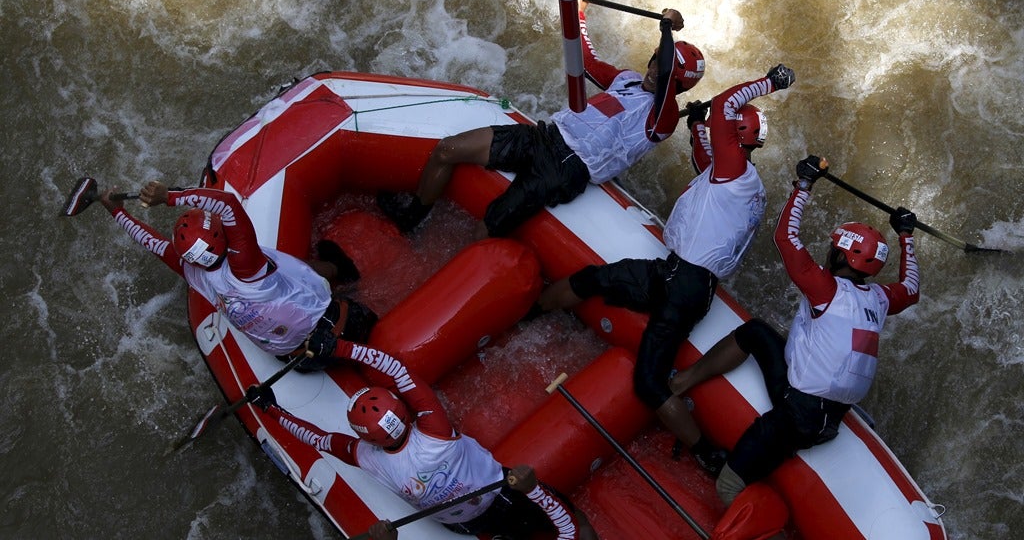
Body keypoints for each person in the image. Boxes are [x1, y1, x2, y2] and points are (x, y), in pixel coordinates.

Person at [537, 64, 796, 475]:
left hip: (681, 283)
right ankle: (541, 308)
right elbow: (703, 164)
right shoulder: (743, 181)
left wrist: (770, 83)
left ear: (738, 136)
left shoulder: (735, 172)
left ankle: (706, 453)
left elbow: (728, 103)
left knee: (649, 382)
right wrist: (696, 126)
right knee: (594, 280)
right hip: (684, 282)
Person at [668, 155, 920, 507]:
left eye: (835, 248)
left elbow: (785, 239)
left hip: (797, 413)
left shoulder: (825, 288)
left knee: (727, 488)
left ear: (843, 257)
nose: (829, 250)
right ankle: (679, 384)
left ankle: (678, 385)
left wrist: (803, 185)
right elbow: (911, 288)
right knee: (756, 332)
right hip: (831, 419)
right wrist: (906, 235)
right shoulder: (879, 298)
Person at [377, 0, 703, 239]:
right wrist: (579, 12)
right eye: (654, 61)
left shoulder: (664, 118)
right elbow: (586, 60)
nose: (652, 71)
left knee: (489, 227)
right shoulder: (627, 79)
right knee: (447, 149)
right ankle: (411, 217)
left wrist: (665, 29)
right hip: (544, 136)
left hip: (565, 170)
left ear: (675, 85)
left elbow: (661, 91)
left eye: (663, 70)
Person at [250, 338, 598, 540]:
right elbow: (395, 369)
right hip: (508, 491)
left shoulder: (366, 455)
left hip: (471, 525)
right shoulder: (435, 429)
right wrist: (340, 346)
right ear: (403, 411)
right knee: (575, 521)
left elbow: (319, 439)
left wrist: (272, 410)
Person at [99, 181, 376, 370]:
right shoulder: (246, 264)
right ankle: (348, 277)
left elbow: (152, 242)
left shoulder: (192, 272)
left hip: (300, 358)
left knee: (296, 270)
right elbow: (228, 203)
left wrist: (114, 210)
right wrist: (168, 196)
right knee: (322, 281)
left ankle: (337, 275)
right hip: (341, 327)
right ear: (222, 236)